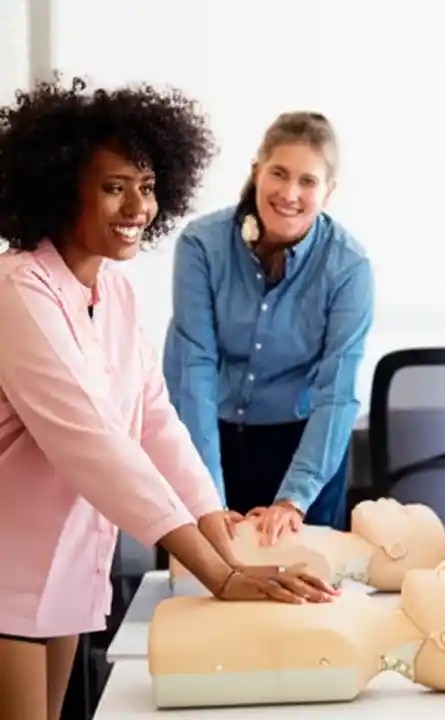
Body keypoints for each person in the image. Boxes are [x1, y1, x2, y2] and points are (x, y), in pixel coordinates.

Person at [0, 75, 336, 720]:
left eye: (147, 187)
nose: (137, 207)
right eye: (113, 187)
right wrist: (219, 575)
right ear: (60, 186)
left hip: (65, 566)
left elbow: (155, 421)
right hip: (9, 570)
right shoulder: (19, 290)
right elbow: (93, 443)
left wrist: (229, 550)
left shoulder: (116, 293)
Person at [164, 112, 373, 542]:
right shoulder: (201, 245)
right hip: (210, 439)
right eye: (279, 173)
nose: (290, 194)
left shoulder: (348, 267)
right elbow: (195, 371)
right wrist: (208, 500)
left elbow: (337, 392)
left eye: (308, 181)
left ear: (328, 193)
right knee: (204, 588)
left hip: (302, 446)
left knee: (305, 594)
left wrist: (292, 499)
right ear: (257, 171)